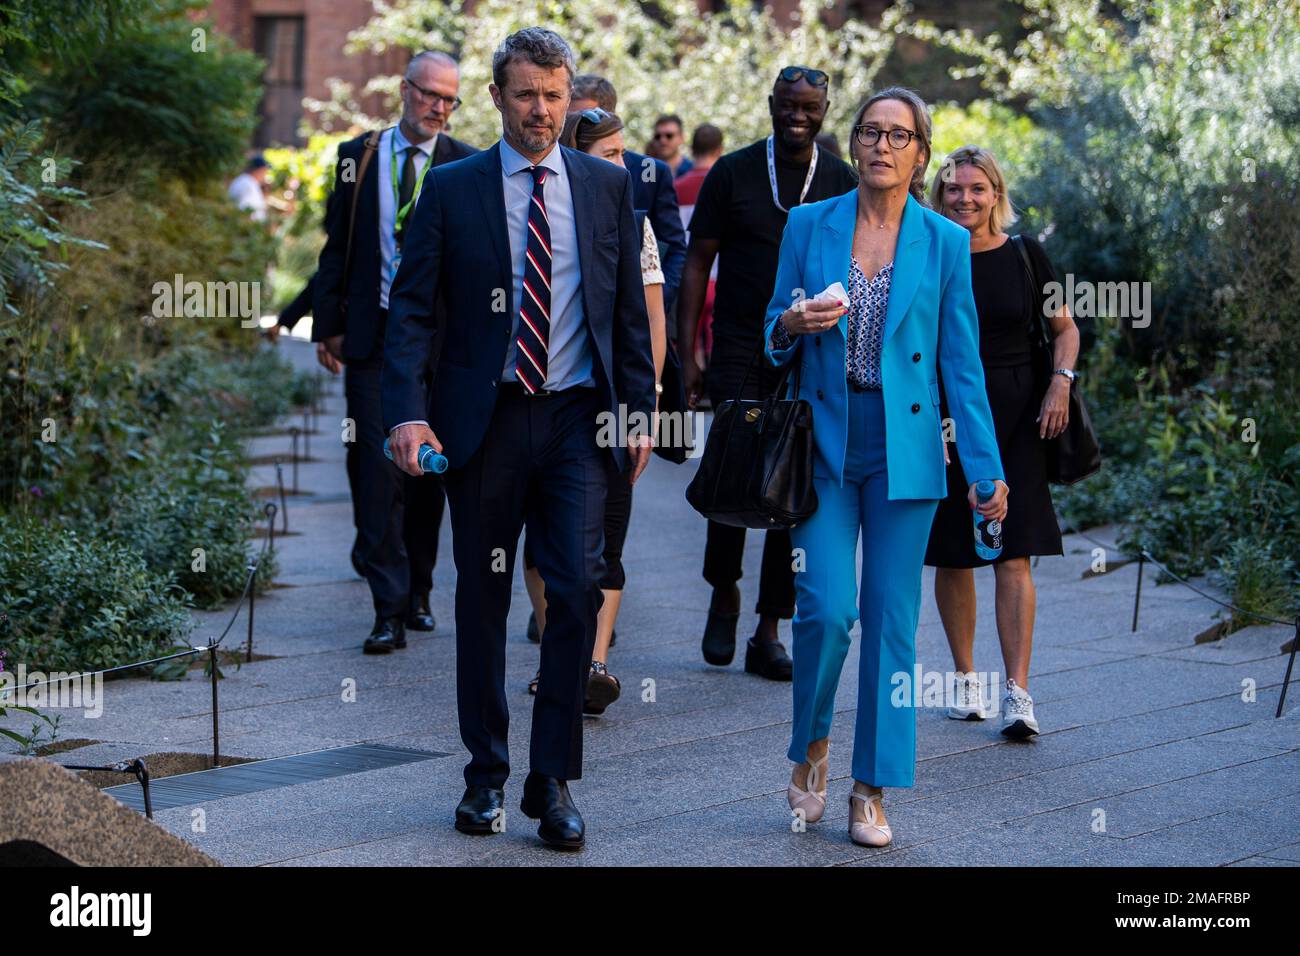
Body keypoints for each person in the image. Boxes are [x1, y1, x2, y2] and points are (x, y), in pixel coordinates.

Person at [382, 28, 656, 851]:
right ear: (498, 96)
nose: (541, 109)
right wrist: (406, 413)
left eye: (554, 94)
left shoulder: (606, 186)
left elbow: (625, 310)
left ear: (571, 98)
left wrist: (638, 407)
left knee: (575, 591)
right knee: (483, 596)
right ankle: (485, 773)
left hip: (577, 421)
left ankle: (552, 779)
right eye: (527, 93)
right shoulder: (452, 188)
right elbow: (412, 312)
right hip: (486, 422)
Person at [764, 88, 1007, 848]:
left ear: (921, 154)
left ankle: (872, 787)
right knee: (826, 610)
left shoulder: (945, 242)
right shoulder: (807, 223)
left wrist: (986, 469)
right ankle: (811, 748)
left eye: (899, 136)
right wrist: (791, 322)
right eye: (870, 132)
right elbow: (771, 329)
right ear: (855, 143)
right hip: (823, 440)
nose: (881, 145)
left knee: (892, 623)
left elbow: (961, 364)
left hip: (907, 447)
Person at [677, 66, 858, 681]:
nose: (797, 116)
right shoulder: (733, 172)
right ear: (772, 104)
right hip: (737, 345)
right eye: (788, 105)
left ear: (825, 110)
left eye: (810, 107)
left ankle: (769, 628)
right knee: (732, 471)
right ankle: (724, 591)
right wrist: (687, 353)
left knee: (793, 484)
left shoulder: (841, 180)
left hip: (815, 349)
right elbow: (697, 262)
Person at [311, 51, 477, 653]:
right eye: (430, 94)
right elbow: (337, 243)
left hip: (440, 343)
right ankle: (387, 608)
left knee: (428, 472)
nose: (439, 107)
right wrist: (327, 324)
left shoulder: (465, 164)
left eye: (449, 99)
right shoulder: (357, 157)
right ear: (405, 90)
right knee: (374, 471)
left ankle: (420, 591)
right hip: (375, 338)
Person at [518, 73, 689, 646]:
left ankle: (592, 663)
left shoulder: (635, 223)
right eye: (610, 155)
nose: (624, 166)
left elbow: (653, 322)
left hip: (614, 402)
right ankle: (555, 653)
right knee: (543, 542)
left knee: (607, 537)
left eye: (623, 152)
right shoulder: (536, 212)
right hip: (546, 399)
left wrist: (646, 403)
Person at [925, 145, 1079, 738]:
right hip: (947, 416)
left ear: (996, 195)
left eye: (977, 188)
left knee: (1014, 551)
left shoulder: (1026, 255)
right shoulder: (929, 252)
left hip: (1019, 416)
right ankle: (967, 681)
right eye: (954, 188)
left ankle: (1018, 692)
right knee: (954, 551)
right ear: (939, 195)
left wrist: (1060, 384)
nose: (965, 198)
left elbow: (1065, 330)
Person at [675, 124, 724, 370]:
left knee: (688, 346)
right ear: (720, 149)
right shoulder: (724, 186)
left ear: (692, 148)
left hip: (687, 279)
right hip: (719, 277)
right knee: (717, 348)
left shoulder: (677, 187)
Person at [228, 154, 270, 221]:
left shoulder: (248, 181)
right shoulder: (246, 183)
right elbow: (244, 211)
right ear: (260, 170)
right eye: (265, 171)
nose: (265, 175)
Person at [651, 113, 693, 178]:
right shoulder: (647, 173)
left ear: (681, 138)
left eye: (669, 136)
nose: (663, 141)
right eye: (658, 136)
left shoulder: (692, 170)